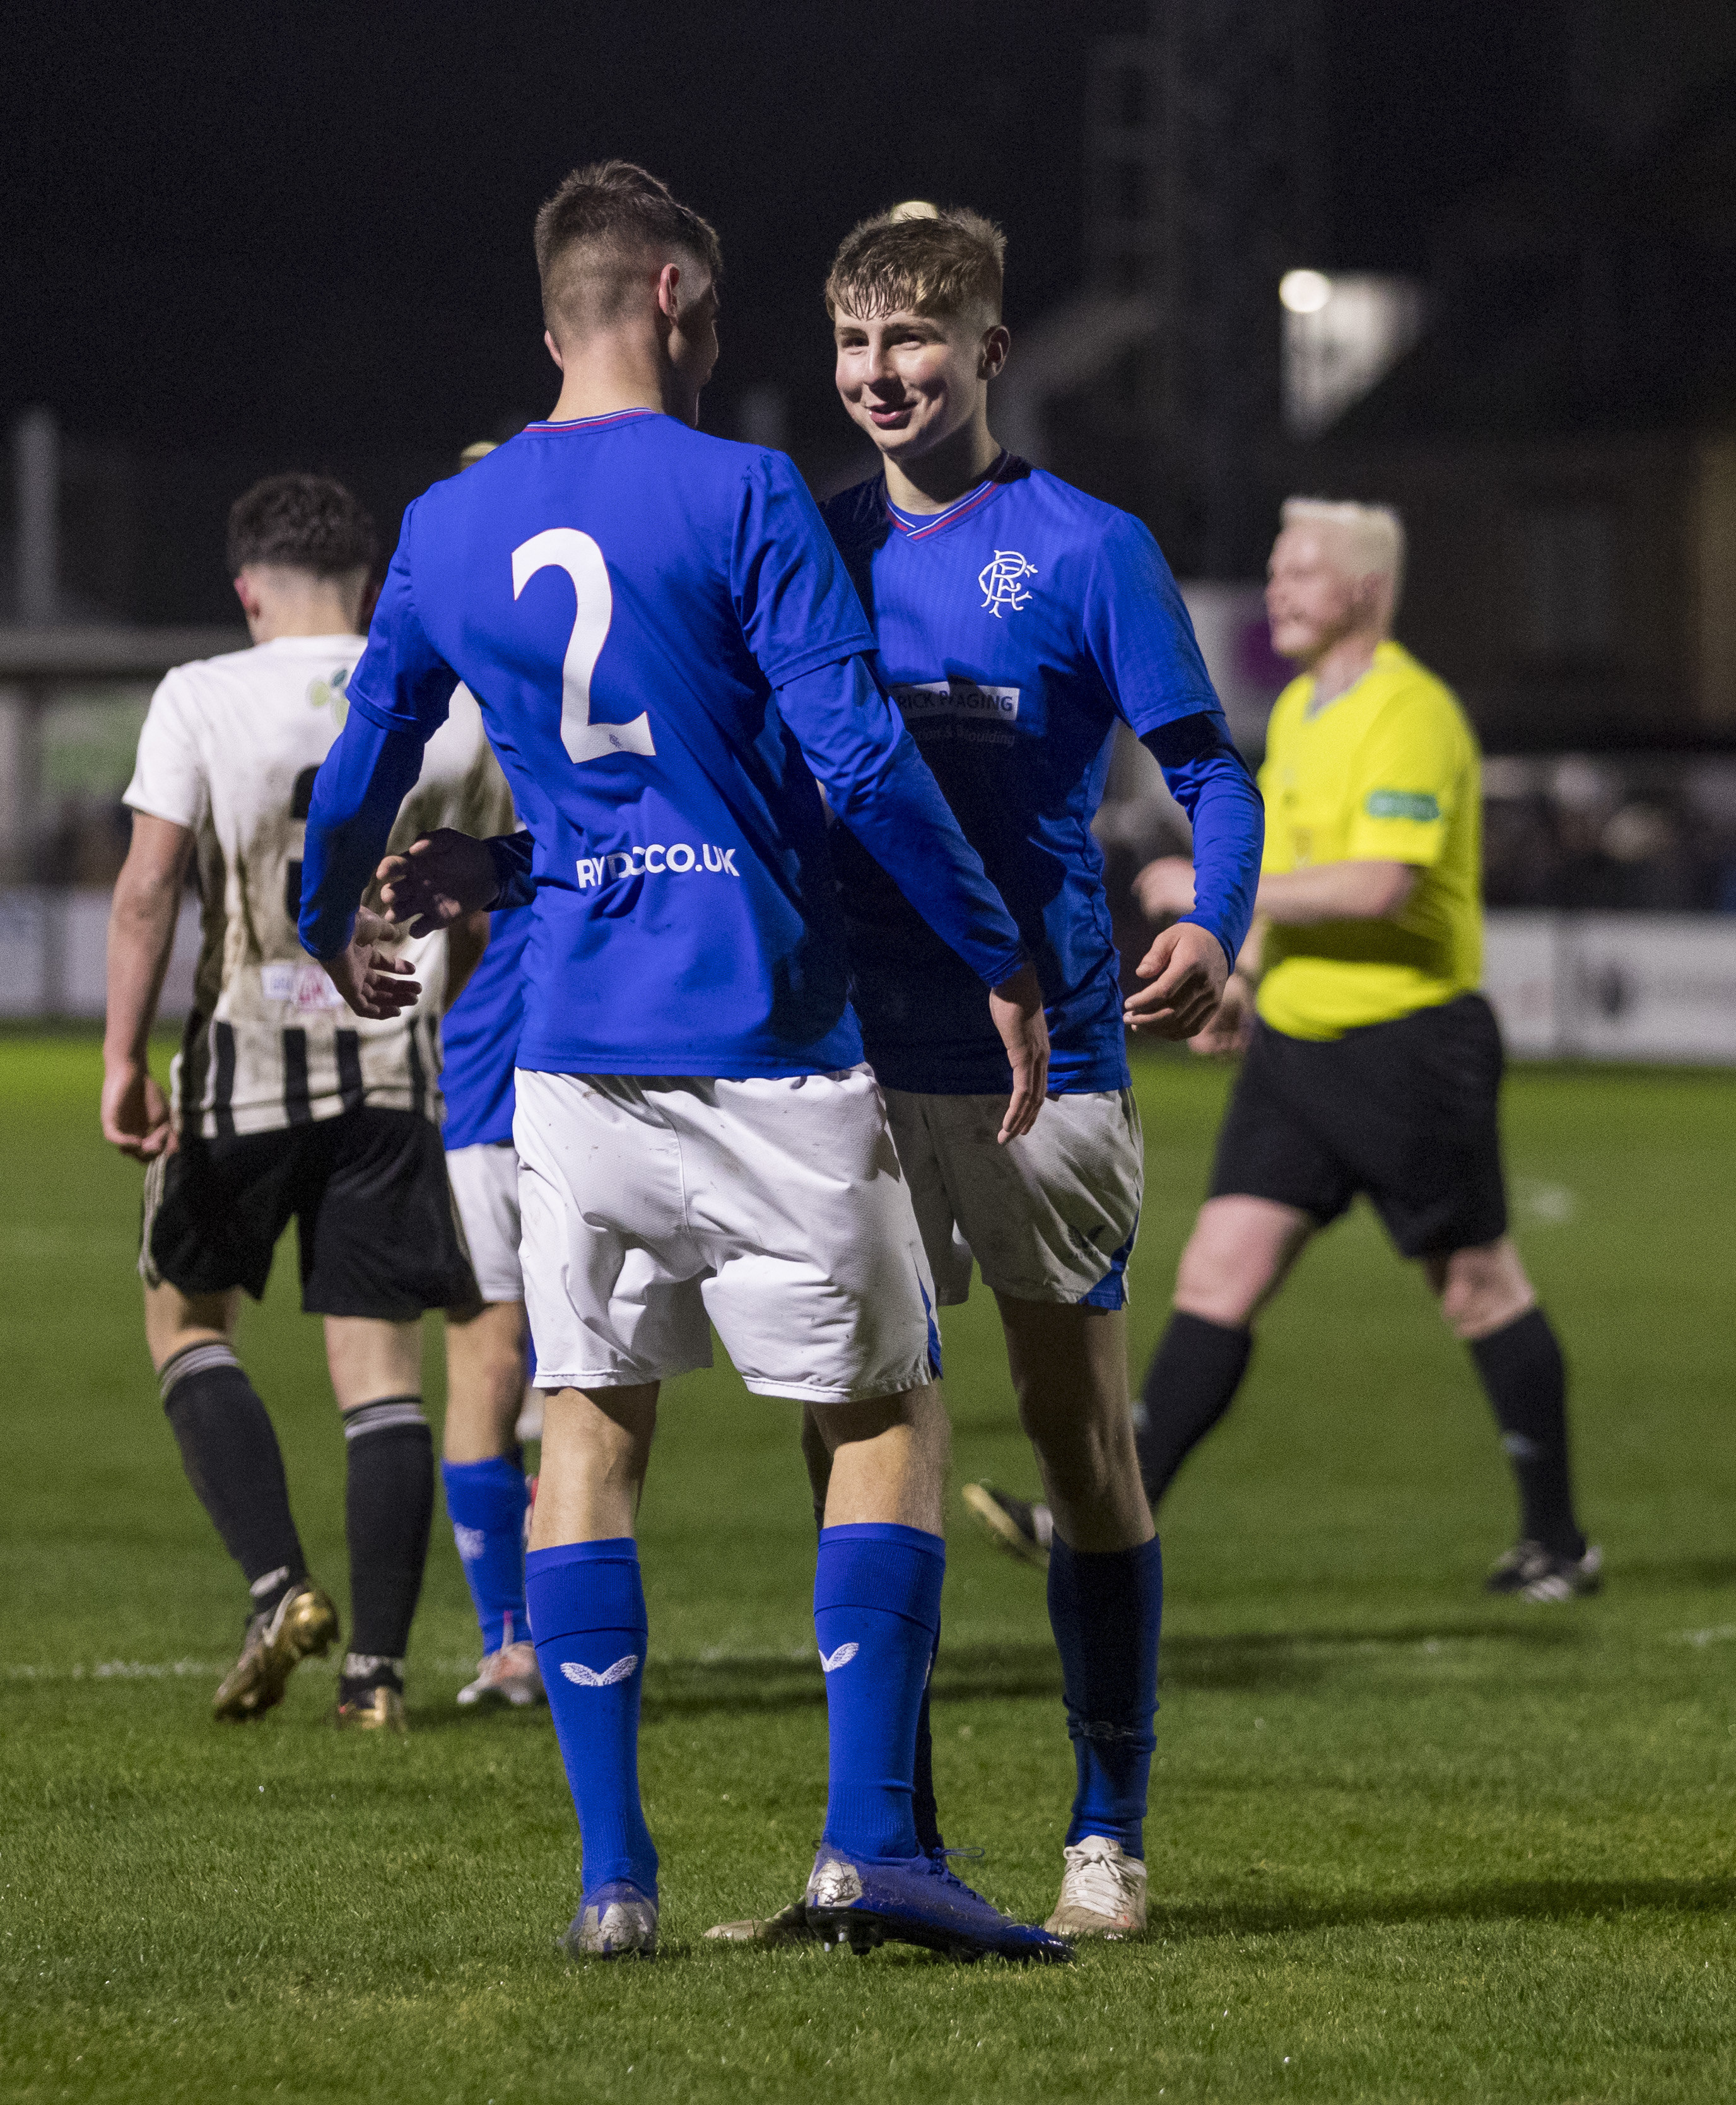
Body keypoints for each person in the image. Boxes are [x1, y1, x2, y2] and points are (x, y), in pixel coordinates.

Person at [296, 160, 1069, 1964]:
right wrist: (996, 952)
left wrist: (339, 910)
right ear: (660, 293)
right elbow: (862, 762)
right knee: (885, 1412)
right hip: (769, 1035)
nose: (720, 336)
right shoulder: (740, 494)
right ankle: (873, 1848)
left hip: (571, 1050)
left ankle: (613, 1881)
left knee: (592, 1423)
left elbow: (367, 758)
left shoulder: (445, 521)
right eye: (710, 308)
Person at [707, 204, 1264, 1949]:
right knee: (852, 1438)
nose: (880, 375)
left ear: (991, 354)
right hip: (849, 1063)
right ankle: (890, 1840)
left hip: (1054, 1061)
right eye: (857, 343)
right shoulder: (805, 544)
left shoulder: (1089, 549)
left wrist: (1218, 921)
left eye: (915, 342)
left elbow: (1210, 774)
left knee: (1081, 1437)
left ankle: (1109, 1830)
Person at [990, 498, 1600, 1602]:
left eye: (1301, 572)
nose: (1277, 590)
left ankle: (1558, 1540)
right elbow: (1315, 881)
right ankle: (1093, 1521)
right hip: (1304, 1052)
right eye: (1275, 571)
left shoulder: (1408, 713)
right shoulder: (1311, 708)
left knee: (1477, 1284)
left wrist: (1211, 894)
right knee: (1219, 1275)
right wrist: (1248, 971)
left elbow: (1381, 883)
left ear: (1363, 588)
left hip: (1410, 1048)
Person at [102, 472, 498, 1735]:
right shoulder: (453, 707)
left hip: (243, 1061)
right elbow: (483, 898)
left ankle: (278, 1586)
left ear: (246, 588)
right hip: (392, 1072)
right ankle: (375, 1676)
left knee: (185, 1324)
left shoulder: (203, 694)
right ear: (371, 588)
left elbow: (148, 889)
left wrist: (122, 1056)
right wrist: (432, 1009)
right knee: (379, 1372)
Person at [431, 440, 544, 1713]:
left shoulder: (594, 669)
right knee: (494, 1352)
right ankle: (507, 1637)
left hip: (625, 1055)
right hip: (495, 1073)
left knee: (584, 1371)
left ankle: (552, 1634)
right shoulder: (452, 699)